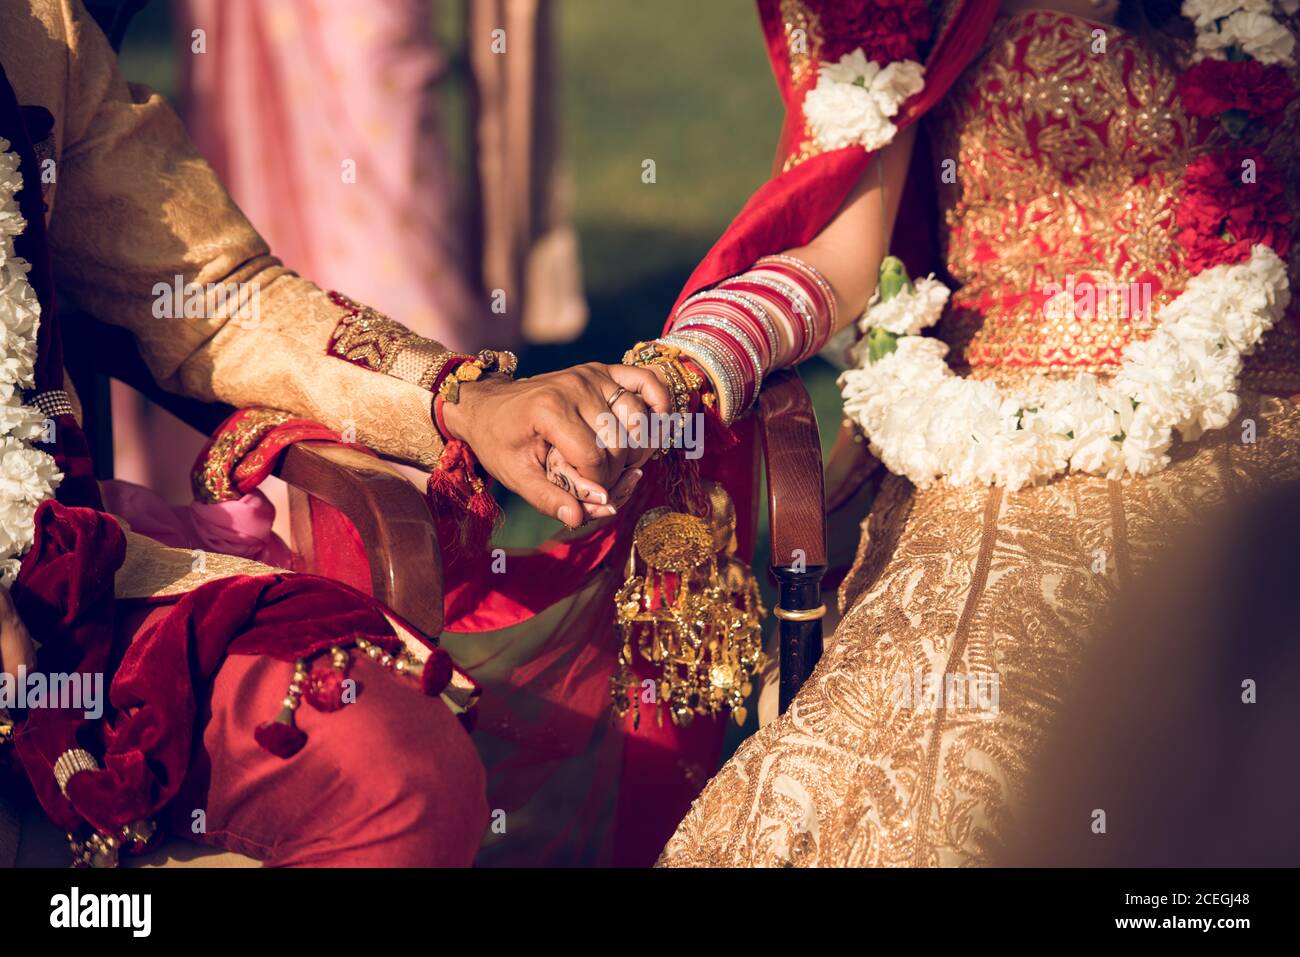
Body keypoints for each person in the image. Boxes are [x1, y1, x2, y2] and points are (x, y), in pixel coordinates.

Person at [534, 0, 1299, 865]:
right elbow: (840, 259)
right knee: (966, 765)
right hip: (1003, 458)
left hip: (1263, 427)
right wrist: (688, 364)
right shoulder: (923, 17)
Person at [0, 0, 660, 867]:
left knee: (400, 775)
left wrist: (463, 400)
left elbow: (213, 295)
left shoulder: (34, 30)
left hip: (68, 593)